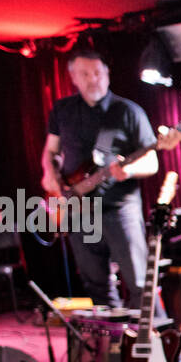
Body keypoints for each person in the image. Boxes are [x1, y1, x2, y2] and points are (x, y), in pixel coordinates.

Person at [40, 49, 158, 308]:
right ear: (73, 77)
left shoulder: (128, 111)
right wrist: (50, 174)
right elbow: (51, 151)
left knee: (140, 283)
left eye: (97, 72)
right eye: (85, 74)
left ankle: (156, 342)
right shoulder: (63, 110)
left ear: (107, 73)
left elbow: (152, 161)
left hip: (119, 209)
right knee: (96, 287)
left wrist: (128, 170)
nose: (93, 79)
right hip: (78, 210)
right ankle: (114, 344)